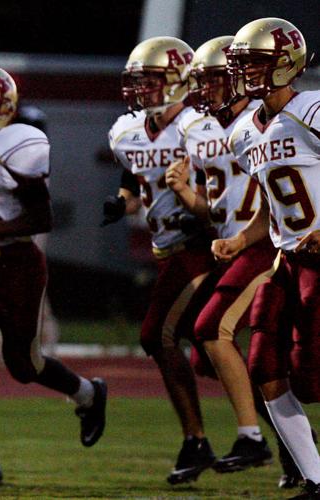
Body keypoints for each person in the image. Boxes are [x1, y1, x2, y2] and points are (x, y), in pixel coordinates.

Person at [0, 65, 107, 481]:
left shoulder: (20, 143)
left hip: (17, 263)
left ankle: (88, 394)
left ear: (3, 110)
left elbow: (42, 216)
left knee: (22, 364)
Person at [103, 37, 219, 484]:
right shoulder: (129, 130)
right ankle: (247, 437)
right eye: (138, 82)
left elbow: (227, 183)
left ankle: (201, 440)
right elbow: (134, 178)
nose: (141, 91)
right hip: (167, 249)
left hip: (202, 246)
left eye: (151, 81)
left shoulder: (200, 126)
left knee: (160, 335)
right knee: (211, 351)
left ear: (178, 82)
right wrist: (122, 202)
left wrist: (202, 213)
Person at [163, 34, 277, 477]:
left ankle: (254, 438)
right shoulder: (200, 128)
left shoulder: (263, 118)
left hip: (268, 244)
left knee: (215, 332)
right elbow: (219, 207)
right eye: (202, 81)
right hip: (233, 246)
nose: (205, 90)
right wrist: (185, 193)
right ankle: (287, 449)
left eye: (214, 80)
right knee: (236, 358)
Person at [216, 17, 320, 499]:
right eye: (243, 65)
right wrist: (242, 239)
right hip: (287, 258)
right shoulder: (242, 133)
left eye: (256, 64)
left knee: (312, 371)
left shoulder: (312, 109)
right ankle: (316, 478)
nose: (247, 75)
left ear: (286, 65)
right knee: (264, 365)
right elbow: (273, 203)